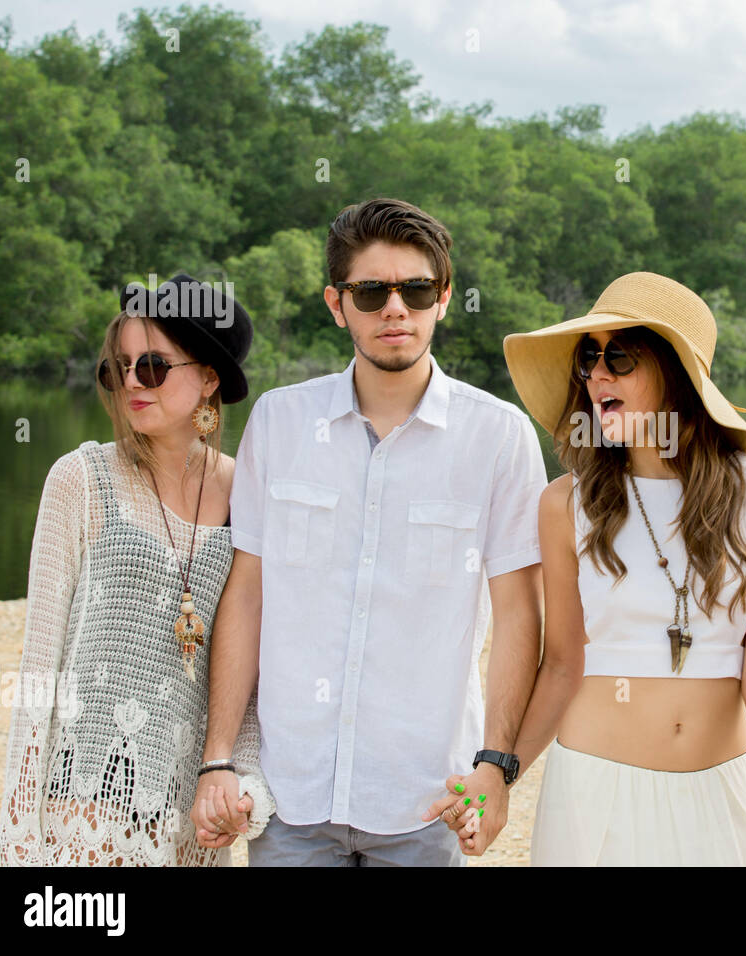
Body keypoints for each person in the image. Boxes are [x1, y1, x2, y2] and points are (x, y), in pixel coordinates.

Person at [193, 197, 546, 866]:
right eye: (371, 291)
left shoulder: (499, 437)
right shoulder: (279, 422)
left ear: (443, 298)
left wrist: (496, 766)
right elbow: (245, 595)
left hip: (427, 797)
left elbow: (518, 617)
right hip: (290, 793)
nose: (395, 309)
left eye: (415, 290)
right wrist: (218, 759)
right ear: (336, 302)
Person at [489, 271, 746, 866]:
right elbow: (563, 664)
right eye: (588, 359)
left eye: (619, 357)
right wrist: (499, 773)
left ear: (676, 373)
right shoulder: (565, 505)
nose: (597, 374)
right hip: (592, 797)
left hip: (726, 794)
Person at [0, 274, 274, 866]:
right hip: (79, 813)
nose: (129, 382)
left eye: (151, 366)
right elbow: (39, 666)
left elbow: (250, 669)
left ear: (208, 379)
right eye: (117, 367)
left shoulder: (250, 494)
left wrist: (238, 781)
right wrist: (19, 835)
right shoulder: (81, 480)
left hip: (189, 823)